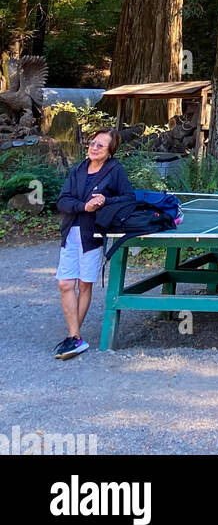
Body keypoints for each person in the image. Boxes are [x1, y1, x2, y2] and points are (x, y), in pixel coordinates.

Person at [54, 127, 134, 359]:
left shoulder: (115, 170)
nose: (94, 147)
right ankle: (75, 336)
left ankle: (74, 337)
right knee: (64, 284)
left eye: (100, 145)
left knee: (84, 284)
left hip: (94, 234)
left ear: (110, 151)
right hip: (70, 232)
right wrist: (83, 206)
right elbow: (63, 201)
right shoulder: (78, 169)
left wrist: (105, 200)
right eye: (92, 143)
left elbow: (129, 198)